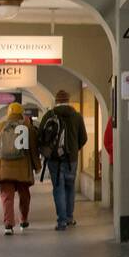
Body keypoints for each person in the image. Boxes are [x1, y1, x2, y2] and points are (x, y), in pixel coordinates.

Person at [0, 101, 41, 235]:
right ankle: (23, 220)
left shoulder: (0, 126)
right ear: (21, 113)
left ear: (8, 113)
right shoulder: (27, 127)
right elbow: (33, 148)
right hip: (23, 167)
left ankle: (8, 224)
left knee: (7, 196)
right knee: (24, 195)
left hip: (3, 167)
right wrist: (37, 166)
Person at [42, 90, 89, 231]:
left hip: (54, 159)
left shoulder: (49, 115)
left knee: (58, 189)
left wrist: (47, 152)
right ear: (68, 101)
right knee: (70, 187)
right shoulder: (76, 116)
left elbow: (40, 137)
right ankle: (69, 218)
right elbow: (84, 138)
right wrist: (74, 149)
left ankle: (61, 221)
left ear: (56, 101)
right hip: (71, 159)